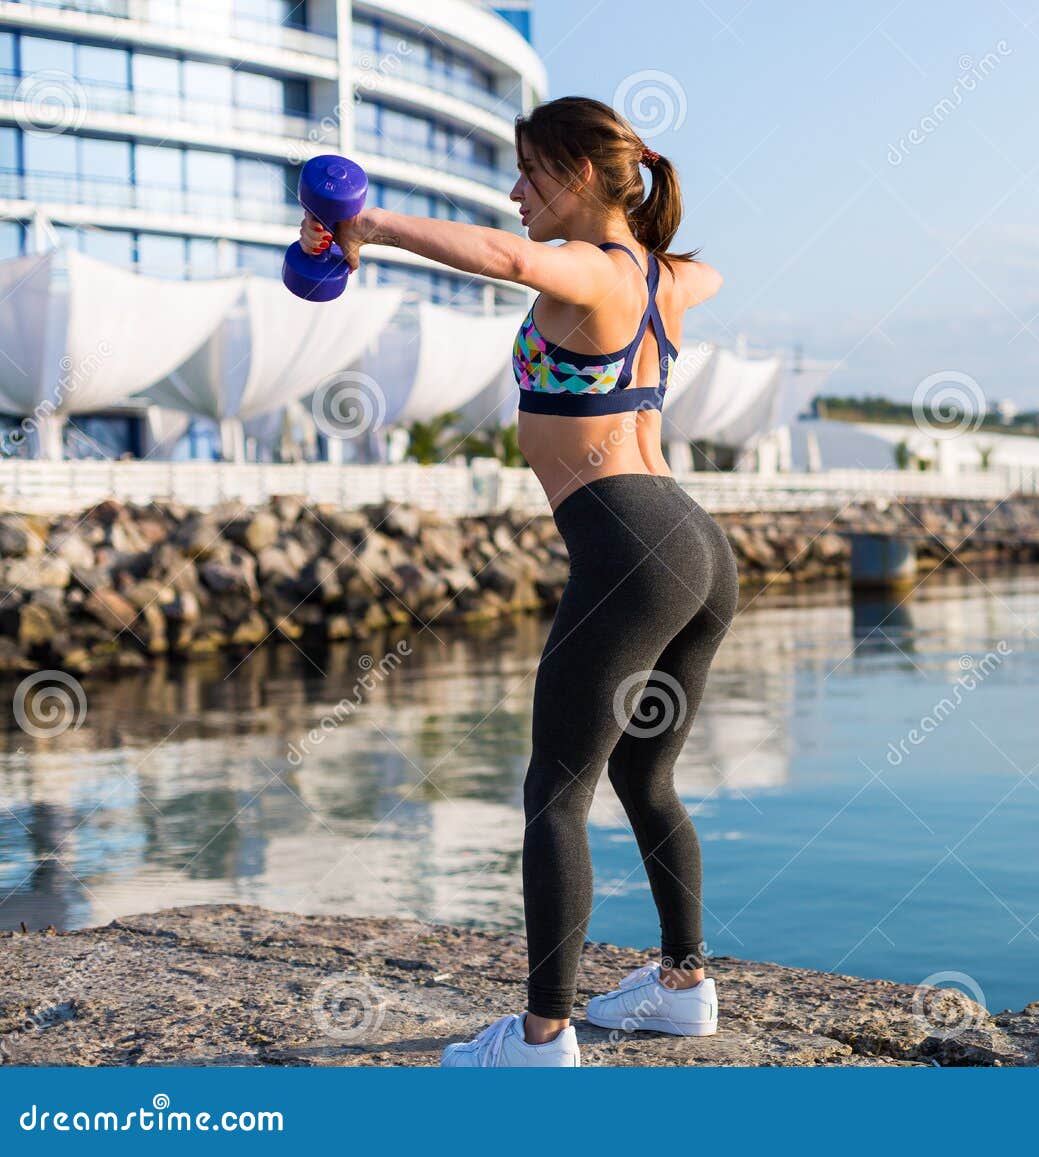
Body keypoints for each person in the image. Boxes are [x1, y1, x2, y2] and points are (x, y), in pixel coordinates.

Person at [300, 96, 735, 1068]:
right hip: (697, 550)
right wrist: (656, 244)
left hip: (631, 545)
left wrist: (365, 226)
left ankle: (541, 1038)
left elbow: (505, 258)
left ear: (581, 176)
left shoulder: (590, 269)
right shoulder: (660, 279)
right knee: (644, 774)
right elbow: (711, 270)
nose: (514, 193)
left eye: (530, 174)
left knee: (555, 790)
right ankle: (682, 984)